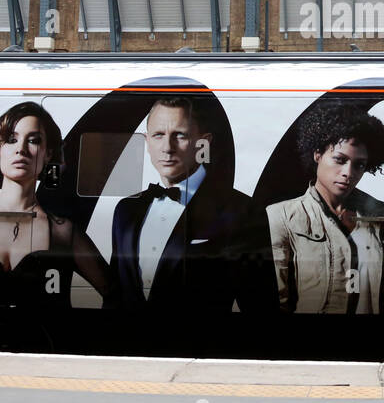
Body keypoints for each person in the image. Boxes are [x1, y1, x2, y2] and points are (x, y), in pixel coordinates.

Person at [110, 96, 271, 313]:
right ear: (147, 142)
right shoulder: (126, 210)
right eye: (158, 135)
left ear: (203, 143)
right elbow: (115, 297)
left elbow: (259, 306)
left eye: (180, 135)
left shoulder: (242, 211)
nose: (167, 147)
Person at [0, 102, 110, 308]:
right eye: (11, 140)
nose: (21, 150)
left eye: (33, 141)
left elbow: (115, 293)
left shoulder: (63, 232)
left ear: (48, 153)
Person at [267, 105, 384, 314]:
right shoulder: (281, 217)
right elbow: (270, 299)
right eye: (340, 159)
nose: (348, 172)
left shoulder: (379, 219)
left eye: (359, 164)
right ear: (318, 153)